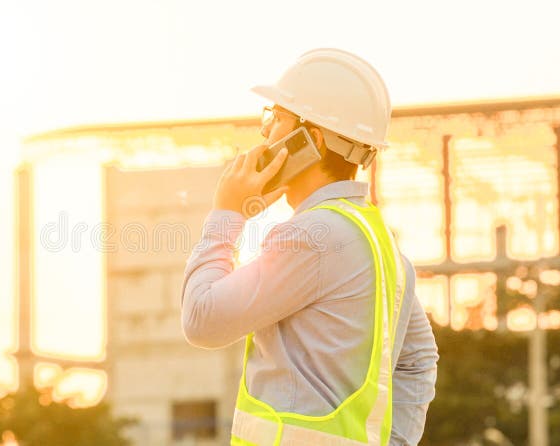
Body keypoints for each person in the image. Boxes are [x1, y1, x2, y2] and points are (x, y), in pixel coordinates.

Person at [180, 48, 439, 445]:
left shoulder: (313, 237)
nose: (265, 133)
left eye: (277, 118)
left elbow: (202, 319)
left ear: (310, 140)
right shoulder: (379, 241)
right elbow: (417, 363)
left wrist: (226, 214)